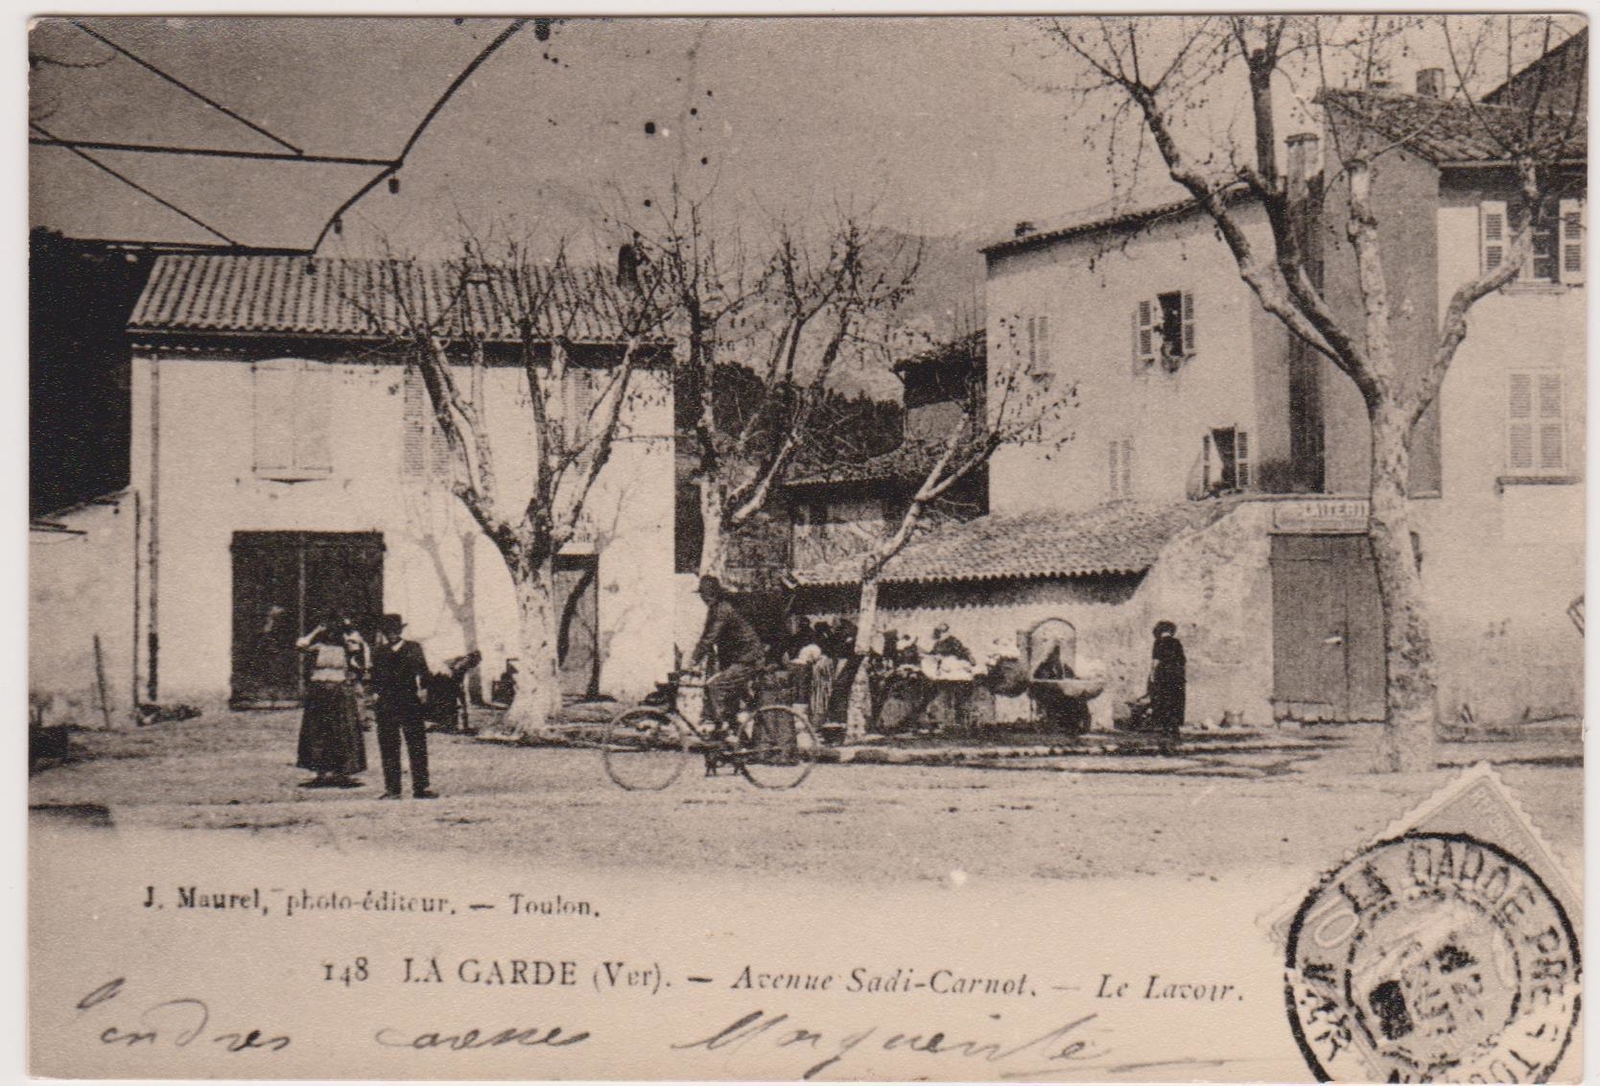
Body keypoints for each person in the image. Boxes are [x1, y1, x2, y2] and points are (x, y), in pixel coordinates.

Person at [689, 575, 766, 738]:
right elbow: (708, 637)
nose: (703, 598)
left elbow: (709, 638)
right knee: (730, 704)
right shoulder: (716, 608)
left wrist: (693, 660)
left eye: (704, 594)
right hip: (741, 658)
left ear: (710, 594)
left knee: (714, 687)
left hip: (748, 659)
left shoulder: (722, 609)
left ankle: (721, 729)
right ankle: (740, 744)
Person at [294, 618, 367, 788]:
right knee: (318, 730)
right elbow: (300, 645)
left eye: (335, 631)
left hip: (340, 691)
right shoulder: (317, 648)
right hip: (319, 691)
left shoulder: (347, 648)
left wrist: (349, 627)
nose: (331, 635)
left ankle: (342, 772)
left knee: (342, 731)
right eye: (328, 632)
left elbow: (358, 644)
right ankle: (321, 771)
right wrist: (316, 631)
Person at [371, 613, 436, 799]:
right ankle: (392, 789)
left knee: (416, 744)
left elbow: (424, 673)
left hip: (409, 701)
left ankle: (421, 787)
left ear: (400, 631)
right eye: (387, 632)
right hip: (386, 702)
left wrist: (423, 690)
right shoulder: (379, 652)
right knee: (388, 745)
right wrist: (375, 694)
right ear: (384, 634)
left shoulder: (413, 648)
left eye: (395, 631)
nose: (391, 635)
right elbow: (374, 678)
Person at [1148, 620, 1187, 746]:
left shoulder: (1158, 642)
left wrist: (1152, 675)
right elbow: (1183, 661)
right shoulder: (1177, 642)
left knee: (1164, 701)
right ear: (1171, 631)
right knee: (1176, 701)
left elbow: (1155, 660)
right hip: (1177, 675)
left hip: (1163, 674)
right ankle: (1175, 729)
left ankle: (1165, 729)